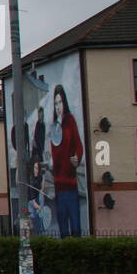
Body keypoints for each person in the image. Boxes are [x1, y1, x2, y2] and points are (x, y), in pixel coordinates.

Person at [48, 84, 85, 237]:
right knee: (63, 224)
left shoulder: (70, 121)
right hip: (58, 184)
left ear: (65, 102)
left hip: (70, 182)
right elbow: (53, 152)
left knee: (75, 224)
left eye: (60, 102)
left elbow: (79, 144)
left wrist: (77, 157)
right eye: (56, 103)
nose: (58, 106)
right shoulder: (54, 126)